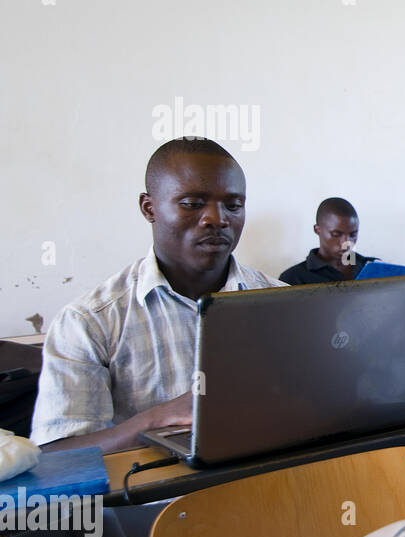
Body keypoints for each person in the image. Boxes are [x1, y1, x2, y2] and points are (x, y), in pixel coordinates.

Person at [31, 137, 282, 454]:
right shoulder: (90, 321)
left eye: (233, 205)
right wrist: (154, 420)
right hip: (156, 501)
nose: (217, 219)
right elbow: (56, 458)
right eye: (192, 203)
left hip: (270, 489)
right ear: (149, 208)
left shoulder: (285, 302)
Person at [279, 197, 376, 284]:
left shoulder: (374, 268)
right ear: (317, 230)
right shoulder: (293, 279)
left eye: (353, 234)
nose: (346, 242)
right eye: (336, 234)